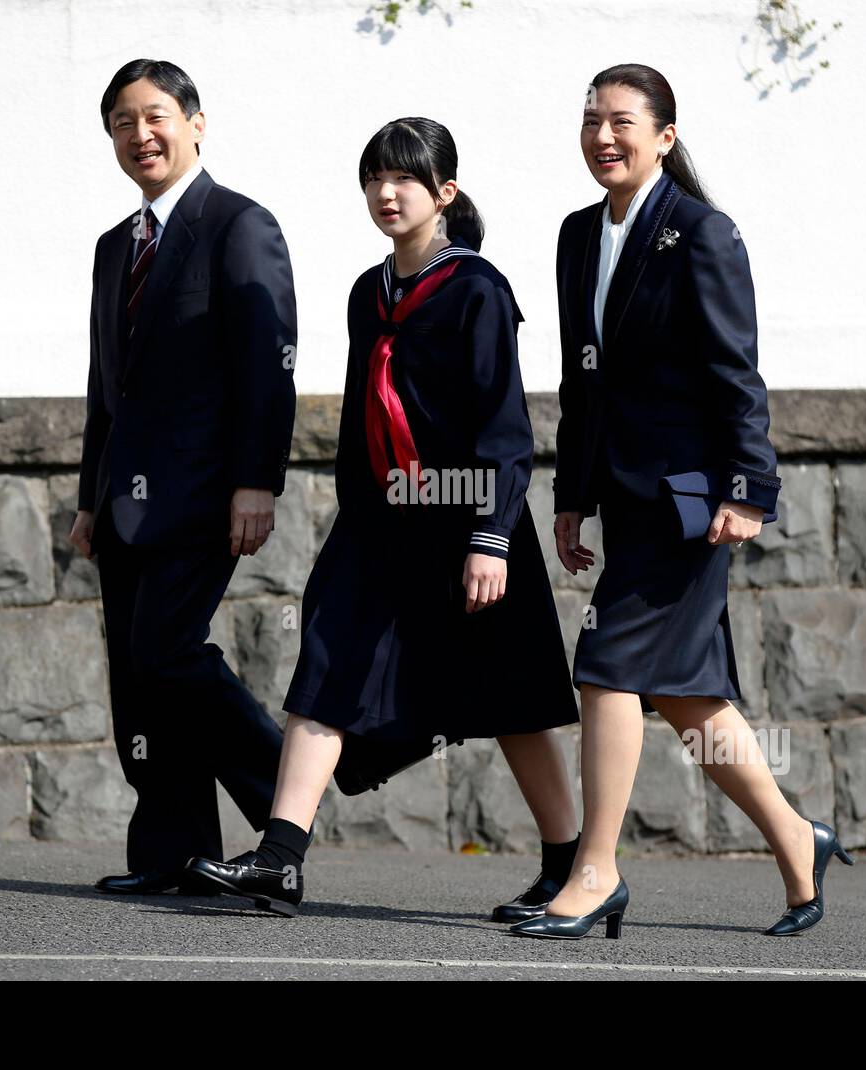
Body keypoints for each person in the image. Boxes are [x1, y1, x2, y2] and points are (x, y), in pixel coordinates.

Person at [185, 117, 583, 920]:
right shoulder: (368, 292)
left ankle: (571, 867)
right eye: (374, 177)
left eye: (404, 179)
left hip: (466, 523)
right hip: (380, 523)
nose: (386, 193)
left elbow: (505, 430)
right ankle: (279, 859)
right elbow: (363, 417)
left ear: (445, 193)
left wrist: (490, 537)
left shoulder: (478, 290)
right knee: (324, 670)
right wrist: (352, 520)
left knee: (516, 702)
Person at [513, 64, 853, 940]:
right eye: (590, 121)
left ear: (665, 135)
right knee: (690, 700)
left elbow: (736, 373)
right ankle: (797, 838)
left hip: (693, 504)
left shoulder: (702, 232)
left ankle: (595, 871)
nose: (602, 137)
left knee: (604, 668)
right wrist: (571, 494)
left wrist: (748, 490)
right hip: (622, 499)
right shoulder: (576, 236)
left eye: (622, 122)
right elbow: (579, 379)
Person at [70, 59, 297, 895]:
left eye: (156, 116)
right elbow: (106, 387)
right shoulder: (113, 247)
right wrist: (89, 498)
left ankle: (287, 790)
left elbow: (266, 369)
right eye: (123, 123)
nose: (141, 135)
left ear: (197, 122)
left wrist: (256, 481)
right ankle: (172, 853)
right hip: (123, 501)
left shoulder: (239, 224)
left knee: (167, 650)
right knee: (135, 678)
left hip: (205, 491)